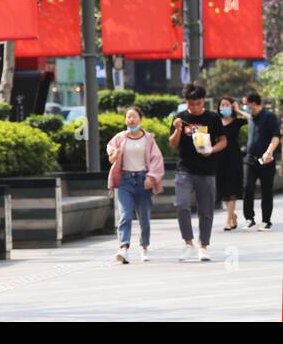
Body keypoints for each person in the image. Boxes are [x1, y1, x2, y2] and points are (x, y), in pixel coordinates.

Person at [169, 83, 227, 261]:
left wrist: (212, 150)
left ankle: (204, 246)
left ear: (203, 101)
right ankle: (188, 243)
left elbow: (223, 141)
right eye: (191, 104)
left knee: (206, 210)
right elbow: (172, 144)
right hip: (184, 169)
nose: (194, 107)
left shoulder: (213, 118)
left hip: (207, 170)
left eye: (198, 103)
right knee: (181, 205)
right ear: (186, 101)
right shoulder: (180, 117)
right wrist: (178, 129)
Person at [106, 107, 165, 264]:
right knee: (125, 215)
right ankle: (123, 248)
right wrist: (115, 155)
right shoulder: (120, 138)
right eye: (128, 117)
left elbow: (157, 159)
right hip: (125, 180)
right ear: (125, 120)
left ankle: (144, 247)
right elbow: (111, 155)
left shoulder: (148, 138)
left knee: (144, 217)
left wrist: (151, 177)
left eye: (134, 117)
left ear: (140, 119)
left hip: (142, 180)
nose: (131, 120)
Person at [242, 93, 279, 231]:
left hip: (266, 161)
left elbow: (276, 136)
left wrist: (269, 152)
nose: (245, 107)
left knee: (267, 190)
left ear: (254, 103)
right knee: (247, 188)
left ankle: (266, 221)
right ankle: (249, 219)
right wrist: (236, 109)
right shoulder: (251, 117)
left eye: (246, 104)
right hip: (250, 159)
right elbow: (245, 115)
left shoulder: (270, 117)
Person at [216, 97, 249, 231]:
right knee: (223, 189)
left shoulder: (237, 122)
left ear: (232, 106)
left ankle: (228, 220)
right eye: (222, 105)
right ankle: (232, 215)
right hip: (219, 158)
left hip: (234, 158)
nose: (224, 107)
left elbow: (252, 119)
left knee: (232, 188)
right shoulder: (216, 122)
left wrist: (238, 110)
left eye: (227, 105)